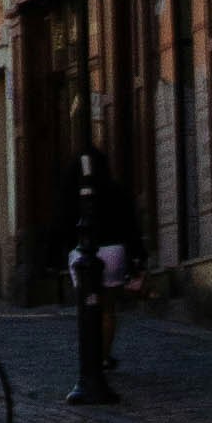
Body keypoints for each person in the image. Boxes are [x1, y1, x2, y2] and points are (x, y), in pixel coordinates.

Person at [65, 139, 136, 388]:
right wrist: (138, 257)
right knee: (107, 309)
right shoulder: (114, 189)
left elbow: (62, 226)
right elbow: (130, 223)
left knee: (87, 307)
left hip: (82, 253)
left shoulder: (73, 192)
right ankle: (103, 357)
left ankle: (91, 359)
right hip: (114, 251)